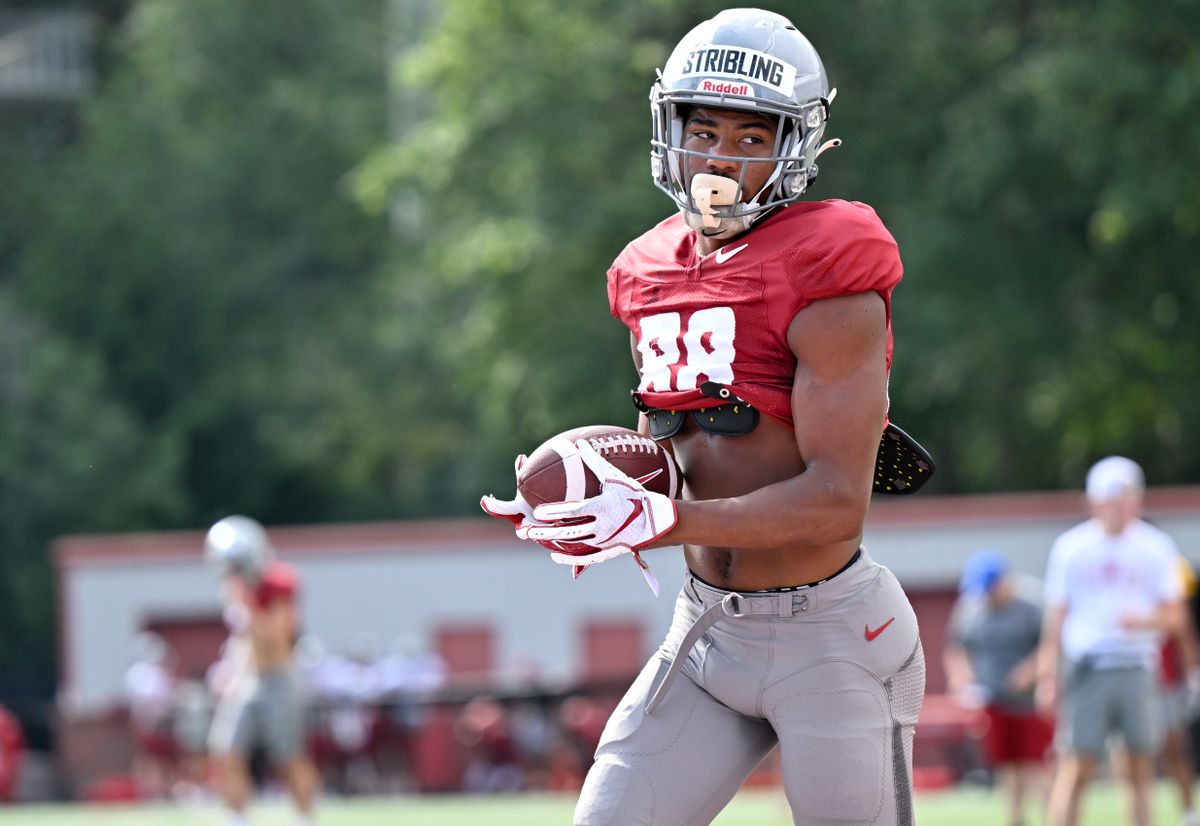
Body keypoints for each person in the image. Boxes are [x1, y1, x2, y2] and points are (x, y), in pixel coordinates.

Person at [482, 8, 931, 824]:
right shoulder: (647, 270)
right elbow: (678, 448)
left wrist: (660, 520)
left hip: (830, 634)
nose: (721, 158)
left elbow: (838, 499)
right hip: (707, 632)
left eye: (753, 139)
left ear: (796, 149)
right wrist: (585, 497)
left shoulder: (831, 265)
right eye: (706, 131)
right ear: (670, 132)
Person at [1036, 456, 1185, 826]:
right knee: (1078, 764)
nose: (1117, 507)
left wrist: (1144, 621)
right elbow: (1056, 618)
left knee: (1138, 768)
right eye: (1109, 499)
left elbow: (1176, 616)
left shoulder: (1156, 547)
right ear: (1094, 501)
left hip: (1136, 664)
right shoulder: (1071, 547)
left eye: (1125, 498)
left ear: (1137, 500)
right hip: (1090, 666)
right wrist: (1046, 675)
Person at [204, 515, 320, 826]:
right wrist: (230, 669)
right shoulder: (237, 588)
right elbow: (241, 640)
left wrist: (246, 606)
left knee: (287, 755)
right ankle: (238, 817)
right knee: (225, 750)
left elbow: (278, 635)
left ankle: (304, 817)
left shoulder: (276, 583)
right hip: (246, 679)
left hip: (279, 676)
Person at [944, 549, 1052, 826]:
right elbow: (957, 648)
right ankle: (1016, 819)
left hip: (1030, 701)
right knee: (1008, 764)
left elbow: (1050, 646)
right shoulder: (971, 610)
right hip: (992, 699)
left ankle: (1054, 818)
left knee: (1036, 763)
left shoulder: (1031, 604)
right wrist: (961, 677)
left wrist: (1031, 672)